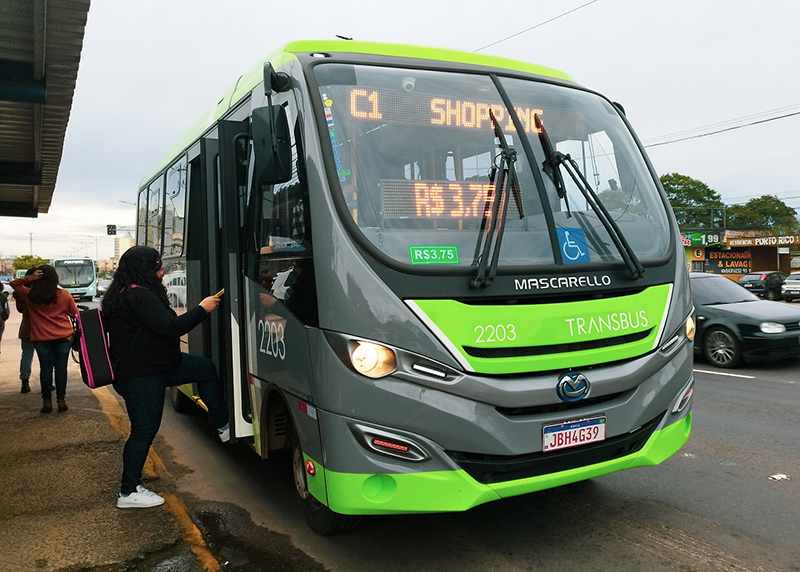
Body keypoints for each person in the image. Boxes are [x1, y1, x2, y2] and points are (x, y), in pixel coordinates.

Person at [102, 246, 229, 509]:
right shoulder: (138, 296)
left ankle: (222, 424)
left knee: (204, 367)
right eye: (158, 265)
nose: (162, 270)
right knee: (144, 431)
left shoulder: (125, 293)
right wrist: (203, 309)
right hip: (142, 375)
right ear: (144, 268)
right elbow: (171, 328)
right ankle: (128, 492)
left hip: (158, 367)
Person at [10, 266, 79, 413]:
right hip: (64, 337)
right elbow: (75, 314)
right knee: (61, 369)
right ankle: (61, 401)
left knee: (45, 369)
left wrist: (29, 278)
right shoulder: (64, 295)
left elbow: (13, 284)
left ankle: (46, 402)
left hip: (41, 339)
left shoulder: (30, 295)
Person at [14, 268, 37, 393]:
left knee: (26, 355)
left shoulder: (21, 294)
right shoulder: (38, 294)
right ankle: (48, 383)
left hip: (26, 329)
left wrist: (27, 279)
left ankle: (25, 381)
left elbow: (20, 310)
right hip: (41, 329)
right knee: (46, 359)